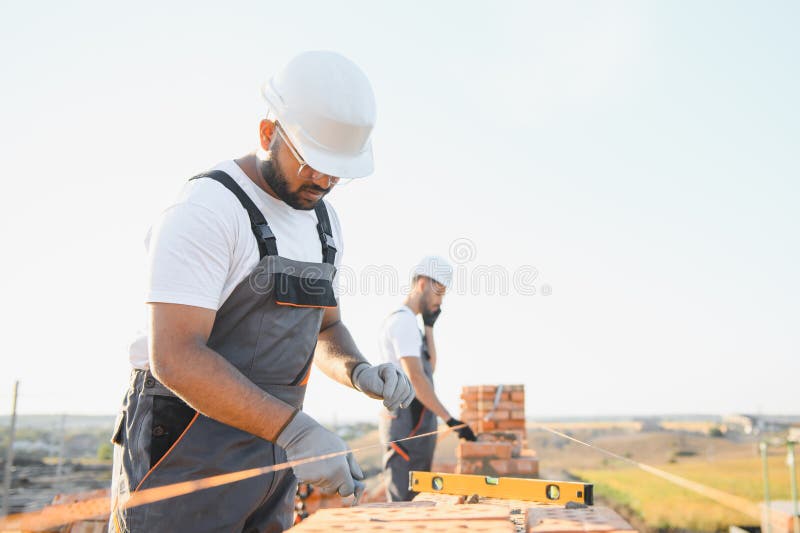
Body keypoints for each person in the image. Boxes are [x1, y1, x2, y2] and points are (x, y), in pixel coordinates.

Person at [109, 51, 415, 532]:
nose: (324, 180)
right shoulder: (208, 209)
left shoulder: (324, 221)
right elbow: (176, 355)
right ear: (268, 133)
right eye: (313, 162)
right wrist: (295, 431)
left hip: (272, 447)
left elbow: (326, 327)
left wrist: (359, 371)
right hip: (186, 447)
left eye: (338, 170)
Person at [377, 256, 477, 502]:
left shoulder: (413, 323)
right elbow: (417, 379)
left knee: (417, 499)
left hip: (416, 426)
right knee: (404, 505)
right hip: (406, 427)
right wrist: (450, 419)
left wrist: (429, 327)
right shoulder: (402, 322)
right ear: (422, 283)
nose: (440, 301)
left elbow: (429, 367)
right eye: (439, 293)